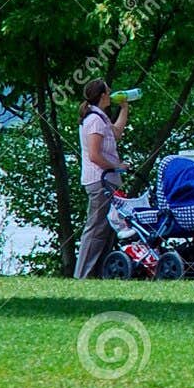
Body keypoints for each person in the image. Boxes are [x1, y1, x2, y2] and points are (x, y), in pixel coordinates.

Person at [74, 79, 130, 279]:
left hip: (109, 180)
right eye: (108, 90)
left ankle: (97, 273)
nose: (112, 92)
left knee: (107, 228)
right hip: (99, 180)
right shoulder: (94, 120)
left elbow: (116, 134)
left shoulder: (101, 118)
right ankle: (83, 275)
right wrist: (117, 167)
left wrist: (124, 108)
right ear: (103, 96)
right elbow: (94, 155)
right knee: (96, 229)